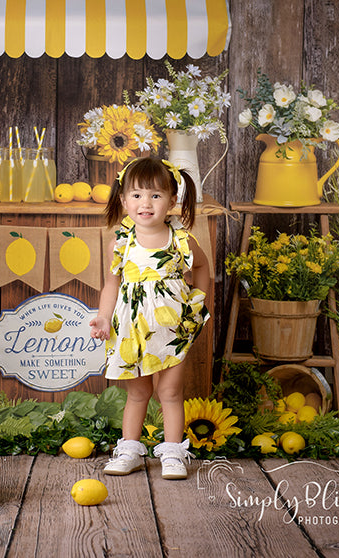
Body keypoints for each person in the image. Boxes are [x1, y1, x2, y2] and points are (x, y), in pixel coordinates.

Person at [90, 157, 210, 480]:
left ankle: (172, 453)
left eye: (155, 195)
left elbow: (202, 268)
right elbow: (111, 284)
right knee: (138, 392)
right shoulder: (121, 244)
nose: (146, 203)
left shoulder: (180, 241)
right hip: (132, 330)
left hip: (172, 330)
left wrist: (197, 303)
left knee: (170, 391)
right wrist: (103, 317)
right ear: (123, 200)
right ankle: (129, 449)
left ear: (172, 201)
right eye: (137, 195)